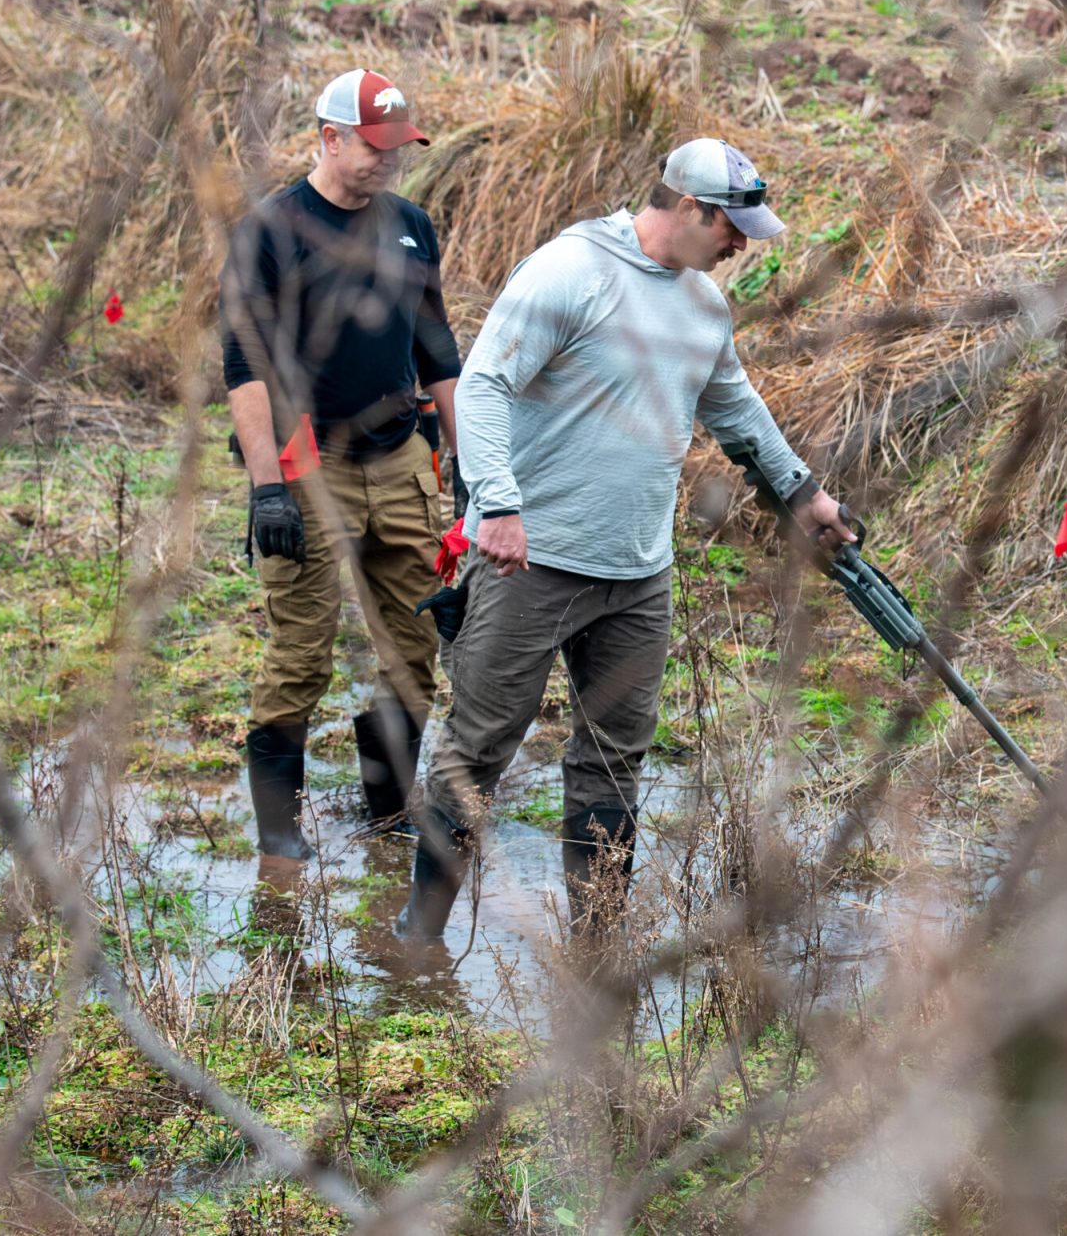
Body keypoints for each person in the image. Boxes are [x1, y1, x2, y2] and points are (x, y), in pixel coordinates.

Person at [395, 137, 853, 944]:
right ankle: (418, 938)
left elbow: (736, 410)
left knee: (614, 763)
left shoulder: (704, 305)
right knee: (476, 753)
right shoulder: (570, 272)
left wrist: (806, 495)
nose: (741, 244)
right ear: (688, 207)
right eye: (732, 227)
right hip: (529, 561)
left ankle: (598, 953)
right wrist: (495, 505)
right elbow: (485, 385)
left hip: (638, 575)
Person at [221, 68, 460, 861]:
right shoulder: (272, 230)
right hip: (305, 463)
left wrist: (466, 466)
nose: (389, 161)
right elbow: (243, 368)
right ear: (329, 138)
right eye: (374, 147)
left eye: (400, 147)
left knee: (415, 649)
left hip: (402, 462)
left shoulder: (410, 226)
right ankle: (280, 847)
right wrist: (268, 490)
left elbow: (437, 349)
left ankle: (387, 816)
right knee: (299, 654)